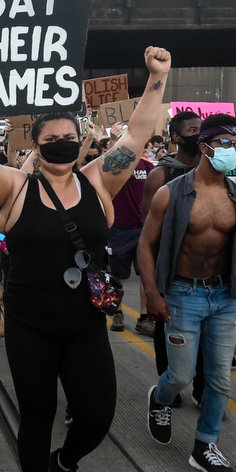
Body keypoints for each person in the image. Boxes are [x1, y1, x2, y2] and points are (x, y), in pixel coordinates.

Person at [0, 46, 172, 472]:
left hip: (84, 325)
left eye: (69, 139)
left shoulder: (100, 181)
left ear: (82, 141)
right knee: (36, 416)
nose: (61, 145)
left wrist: (157, 77)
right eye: (50, 140)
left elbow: (138, 133)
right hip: (30, 326)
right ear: (35, 145)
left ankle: (65, 464)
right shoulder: (13, 188)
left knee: (96, 416)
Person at [138, 113, 236, 472]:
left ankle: (205, 445)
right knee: (180, 376)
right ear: (205, 147)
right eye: (226, 144)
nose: (233, 151)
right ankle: (159, 398)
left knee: (220, 379)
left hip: (225, 296)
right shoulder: (170, 193)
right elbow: (145, 244)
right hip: (182, 294)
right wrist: (152, 294)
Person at [137, 111, 201, 342]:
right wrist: (153, 289)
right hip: (173, 277)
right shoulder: (161, 176)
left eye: (201, 130)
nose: (199, 135)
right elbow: (148, 235)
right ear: (176, 137)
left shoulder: (214, 173)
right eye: (192, 131)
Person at [105, 136, 154, 333]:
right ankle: (118, 313)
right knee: (117, 276)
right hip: (119, 229)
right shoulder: (115, 166)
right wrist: (112, 142)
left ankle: (144, 317)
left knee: (146, 275)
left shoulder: (149, 168)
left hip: (144, 229)